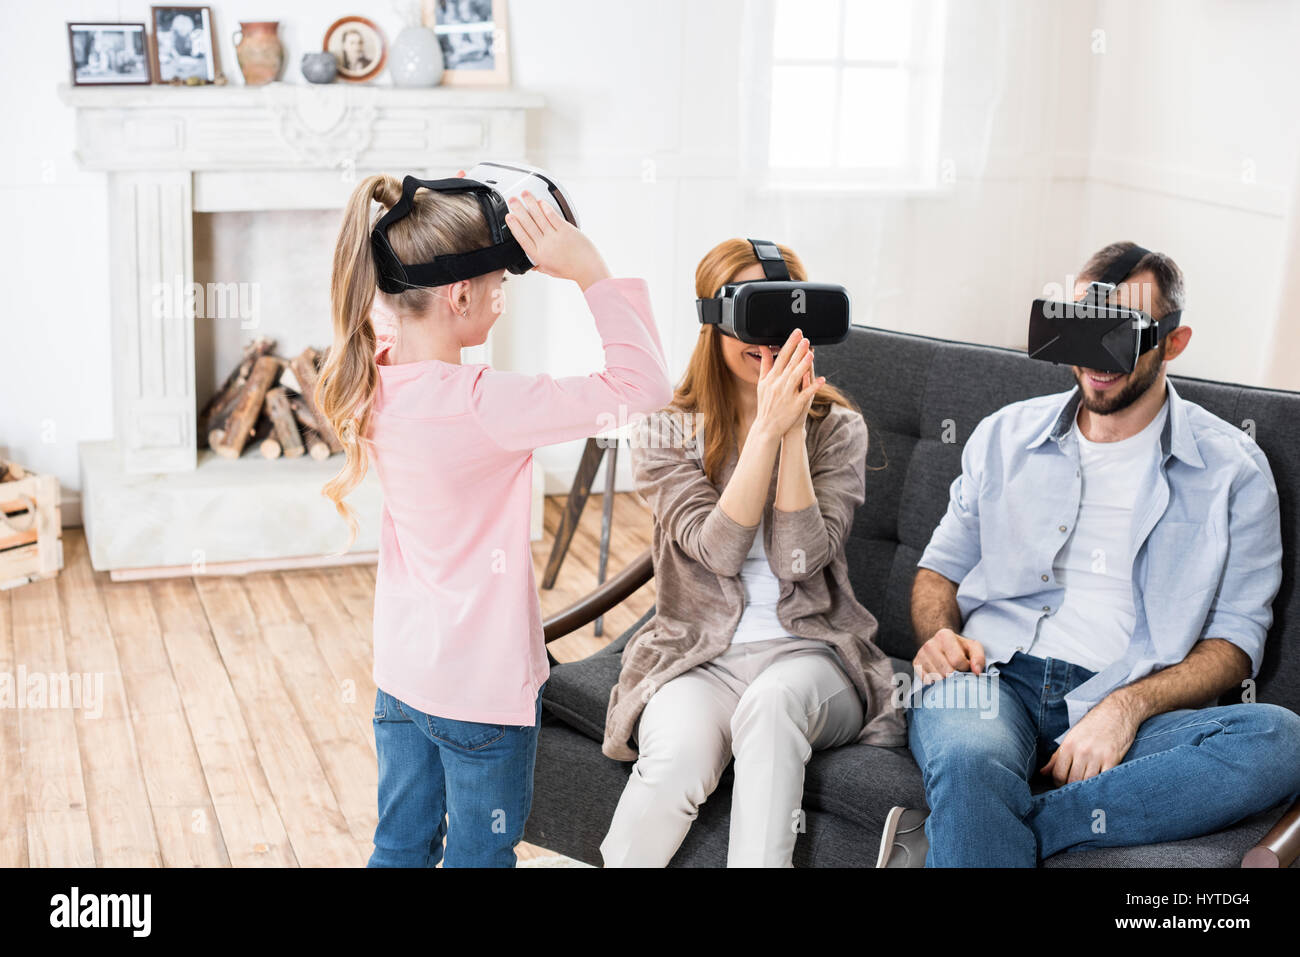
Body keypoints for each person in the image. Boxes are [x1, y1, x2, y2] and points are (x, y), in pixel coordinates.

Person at [878, 241, 1300, 867]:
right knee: (970, 759)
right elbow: (940, 568)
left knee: (1281, 739)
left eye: (1122, 334)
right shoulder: (1005, 435)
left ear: (1174, 343)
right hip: (990, 679)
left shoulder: (1233, 471)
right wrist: (938, 634)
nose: (1097, 360)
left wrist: (1123, 709)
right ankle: (979, 820)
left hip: (1132, 695)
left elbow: (1236, 643)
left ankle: (974, 831)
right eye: (1082, 331)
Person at [318, 173, 672, 867]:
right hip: (480, 696)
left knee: (398, 849)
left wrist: (441, 224)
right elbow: (644, 387)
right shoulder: (486, 404)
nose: (503, 304)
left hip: (402, 678)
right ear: (458, 295)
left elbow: (398, 296)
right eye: (496, 288)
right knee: (482, 857)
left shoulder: (373, 372)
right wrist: (589, 271)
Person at [601, 238, 906, 868]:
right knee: (676, 757)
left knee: (772, 707)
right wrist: (765, 429)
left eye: (785, 313)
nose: (767, 333)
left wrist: (790, 429)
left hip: (814, 655)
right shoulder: (664, 426)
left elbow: (800, 561)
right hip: (699, 656)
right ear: (714, 317)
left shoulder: (839, 429)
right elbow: (717, 552)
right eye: (752, 310)